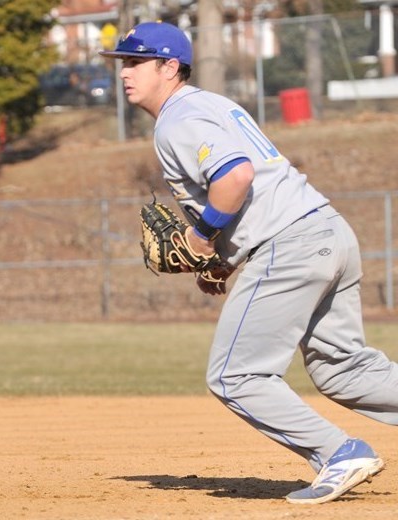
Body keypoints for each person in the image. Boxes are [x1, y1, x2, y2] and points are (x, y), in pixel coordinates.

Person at [100, 22, 398, 504]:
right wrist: (221, 259)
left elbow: (236, 177)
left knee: (235, 375)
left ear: (170, 67)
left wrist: (199, 239)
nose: (124, 73)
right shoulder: (210, 104)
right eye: (122, 63)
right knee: (344, 369)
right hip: (326, 230)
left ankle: (338, 453)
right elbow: (251, 185)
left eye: (135, 62)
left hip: (290, 245)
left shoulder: (179, 118)